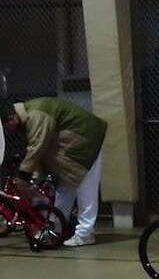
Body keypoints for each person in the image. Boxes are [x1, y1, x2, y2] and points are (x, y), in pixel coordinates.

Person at [1, 97, 107, 246]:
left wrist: (23, 174)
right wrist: (36, 176)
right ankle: (57, 230)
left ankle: (85, 234)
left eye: (6, 126)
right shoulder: (30, 114)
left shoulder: (36, 114)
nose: (8, 130)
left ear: (12, 118)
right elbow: (41, 150)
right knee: (64, 189)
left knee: (85, 189)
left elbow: (37, 146)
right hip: (74, 145)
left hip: (87, 141)